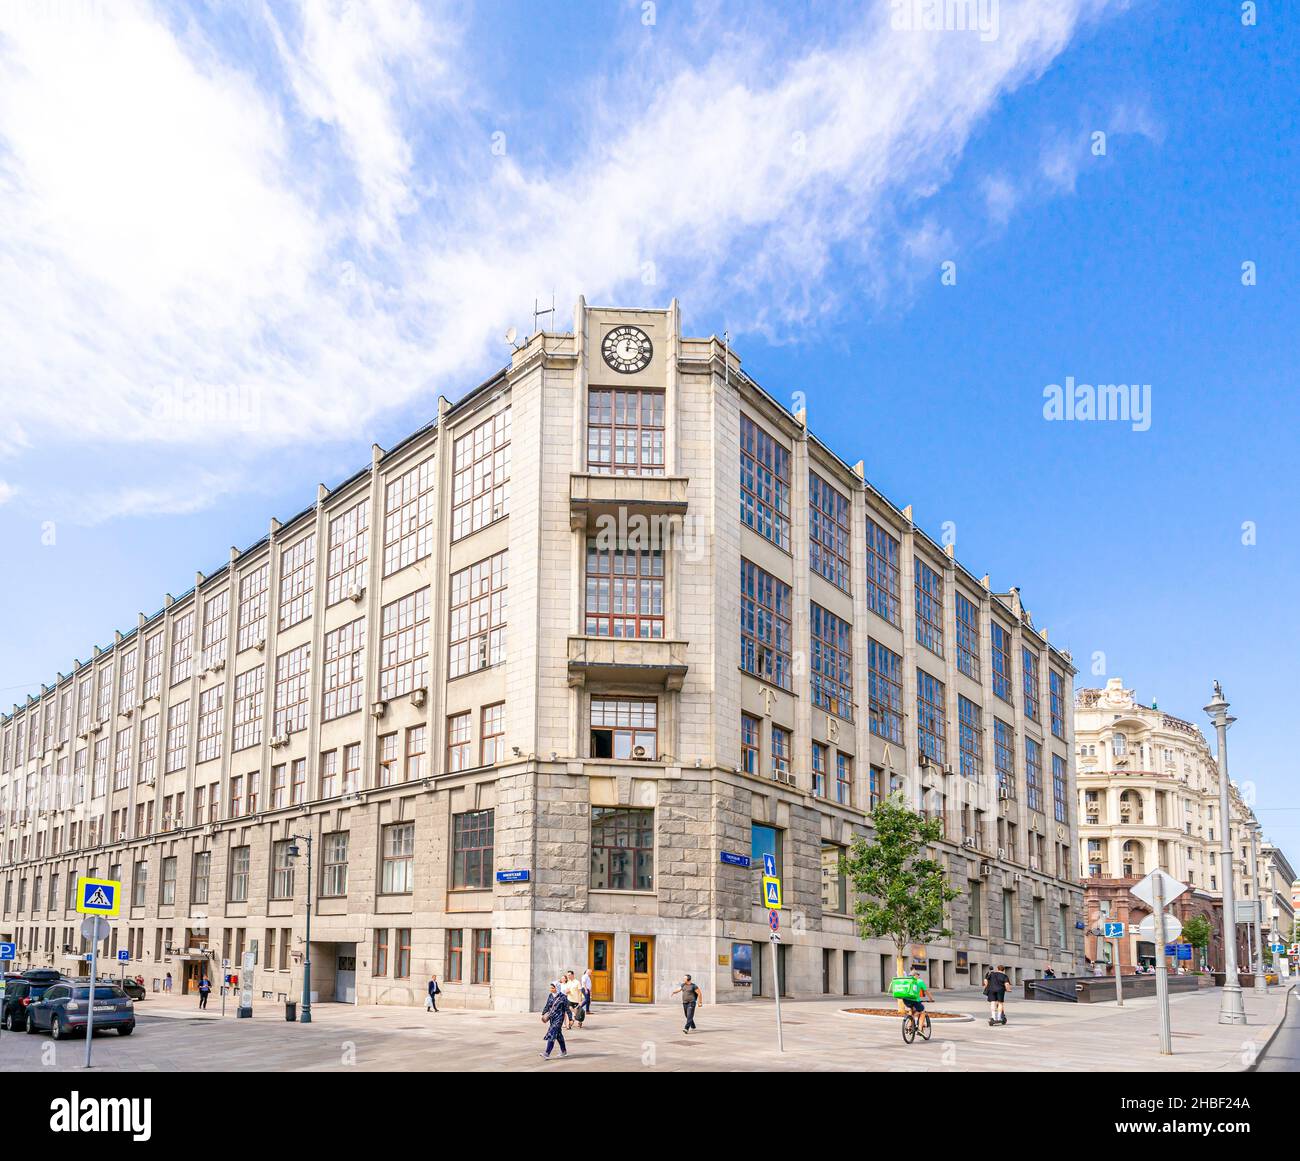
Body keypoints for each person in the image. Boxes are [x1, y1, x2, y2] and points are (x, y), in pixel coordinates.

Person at [540, 982, 568, 1059]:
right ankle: (564, 1051)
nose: (551, 989)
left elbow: (567, 1009)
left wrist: (571, 1019)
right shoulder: (550, 995)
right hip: (552, 1018)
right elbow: (547, 1005)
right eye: (550, 988)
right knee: (558, 1035)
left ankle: (547, 1053)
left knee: (552, 1033)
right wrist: (543, 1014)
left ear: (557, 988)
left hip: (559, 1018)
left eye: (553, 988)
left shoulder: (563, 997)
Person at [901, 971, 931, 1036]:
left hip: (905, 1000)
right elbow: (926, 991)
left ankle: (909, 1026)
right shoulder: (919, 981)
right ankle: (920, 1029)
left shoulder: (906, 980)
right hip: (914, 1001)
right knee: (922, 1011)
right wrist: (931, 999)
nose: (919, 976)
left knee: (911, 1010)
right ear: (916, 975)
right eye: (918, 975)